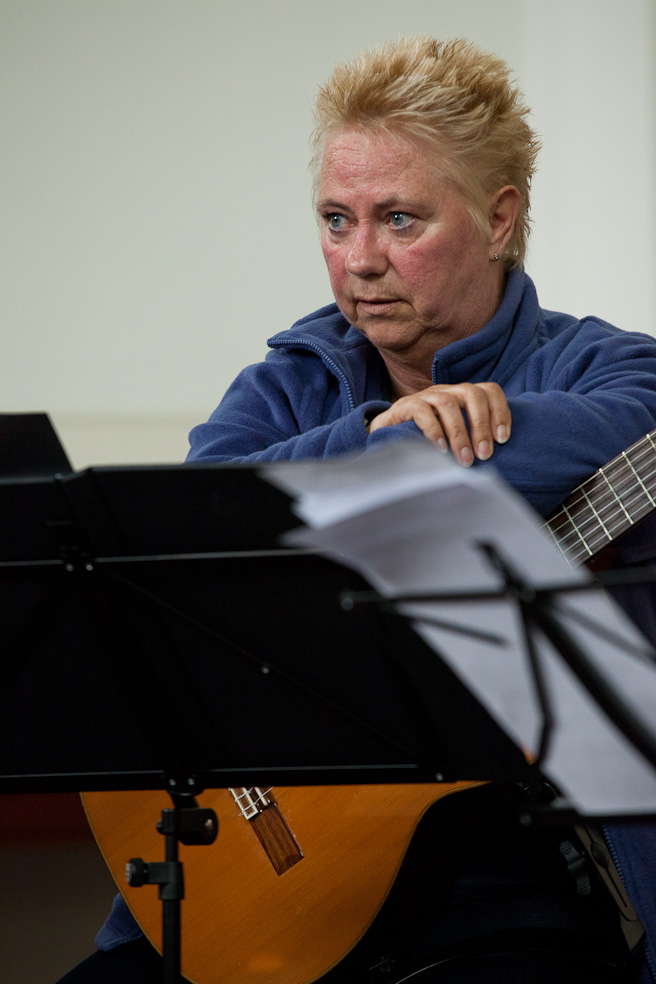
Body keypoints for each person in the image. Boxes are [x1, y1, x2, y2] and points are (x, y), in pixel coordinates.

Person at [58, 35, 656, 984]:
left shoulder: (607, 366)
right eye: (337, 221)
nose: (362, 261)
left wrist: (413, 464)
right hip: (272, 857)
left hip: (506, 888)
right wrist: (387, 439)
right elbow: (196, 520)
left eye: (401, 220)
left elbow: (629, 426)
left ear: (500, 219)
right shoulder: (291, 382)